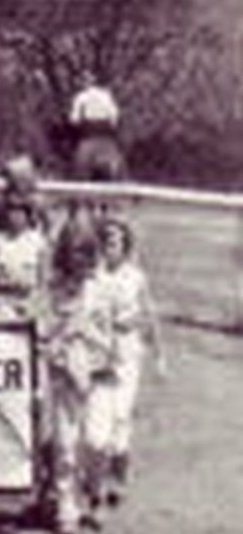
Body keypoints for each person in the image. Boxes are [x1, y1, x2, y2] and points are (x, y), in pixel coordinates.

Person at [84, 217, 165, 511]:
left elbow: (149, 315)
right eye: (105, 240)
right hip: (97, 355)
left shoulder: (136, 277)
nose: (110, 246)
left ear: (125, 245)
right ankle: (96, 485)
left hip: (128, 354)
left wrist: (160, 357)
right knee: (95, 431)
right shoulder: (92, 276)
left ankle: (116, 479)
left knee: (120, 421)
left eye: (116, 240)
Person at [41, 221, 114, 534]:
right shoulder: (52, 290)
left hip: (97, 372)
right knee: (65, 444)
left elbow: (112, 336)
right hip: (63, 374)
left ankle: (96, 490)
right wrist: (59, 343)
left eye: (85, 253)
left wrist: (86, 335)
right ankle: (66, 506)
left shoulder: (102, 288)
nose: (79, 261)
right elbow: (42, 332)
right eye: (73, 253)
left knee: (96, 441)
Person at [0, 200, 49, 322]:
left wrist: (41, 302)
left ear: (27, 216)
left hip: (29, 299)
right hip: (2, 299)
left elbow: (43, 275)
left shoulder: (38, 241)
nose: (15, 217)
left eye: (20, 212)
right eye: (11, 211)